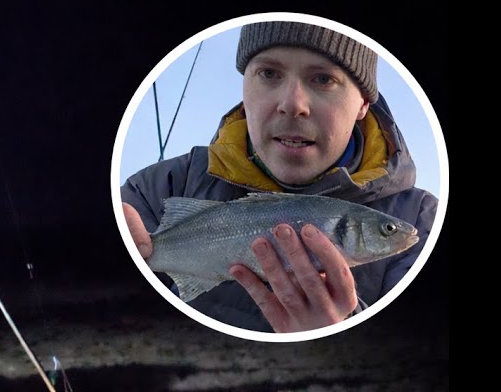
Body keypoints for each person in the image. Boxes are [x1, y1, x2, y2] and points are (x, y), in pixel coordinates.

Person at [120, 21, 437, 334]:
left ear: (363, 103)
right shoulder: (150, 190)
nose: (292, 105)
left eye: (323, 78)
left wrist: (342, 332)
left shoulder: (424, 222)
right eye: (269, 74)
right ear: (245, 86)